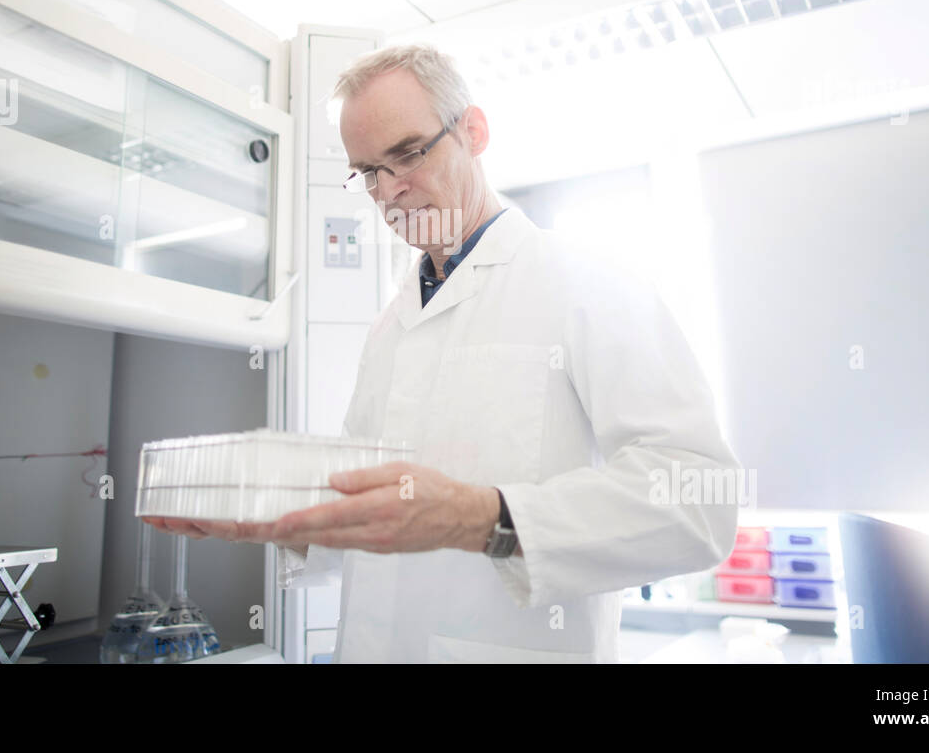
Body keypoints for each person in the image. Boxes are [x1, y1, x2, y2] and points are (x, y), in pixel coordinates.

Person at [145, 44, 741, 662]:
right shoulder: (389, 328)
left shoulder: (590, 283)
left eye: (407, 154)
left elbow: (698, 499)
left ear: (473, 132)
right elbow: (372, 509)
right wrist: (275, 514)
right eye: (369, 171)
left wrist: (480, 518)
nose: (391, 191)